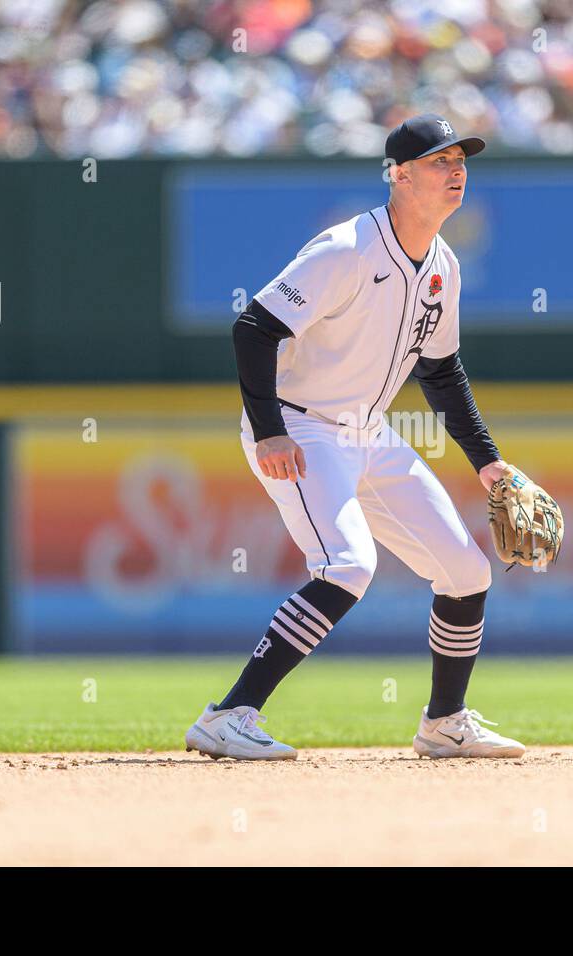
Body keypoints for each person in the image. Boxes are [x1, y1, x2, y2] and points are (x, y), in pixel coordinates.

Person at [185, 114, 525, 760]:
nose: (456, 171)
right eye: (437, 161)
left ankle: (443, 722)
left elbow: (441, 371)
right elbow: (254, 329)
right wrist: (269, 432)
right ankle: (229, 713)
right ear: (397, 175)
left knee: (466, 570)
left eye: (461, 160)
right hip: (302, 426)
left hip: (369, 432)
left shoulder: (444, 267)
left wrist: (488, 463)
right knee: (346, 565)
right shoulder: (346, 248)